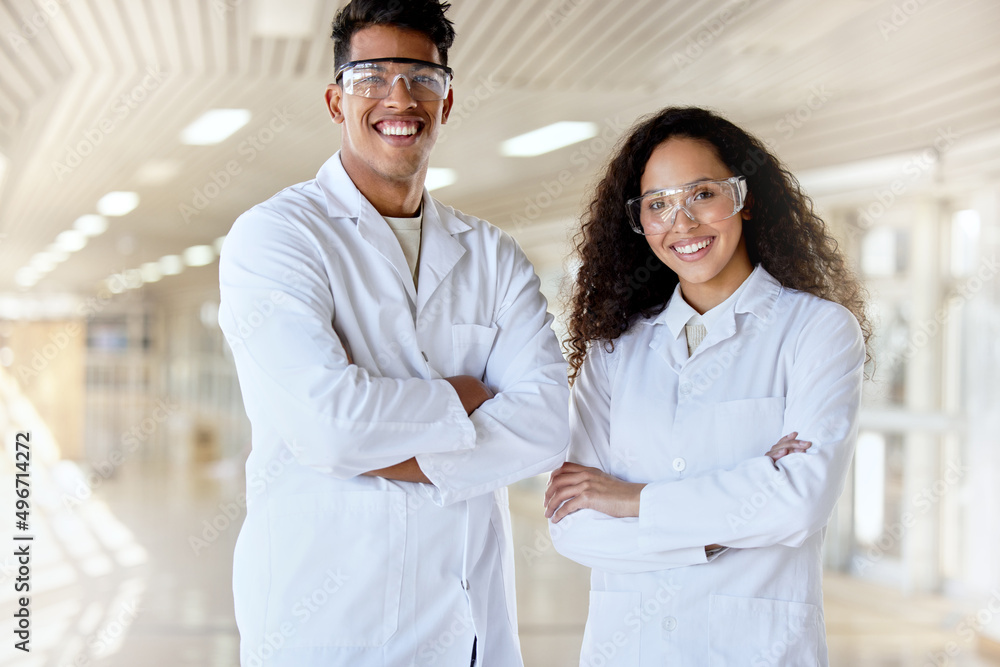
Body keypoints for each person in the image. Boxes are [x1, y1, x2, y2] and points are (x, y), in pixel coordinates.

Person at [218, 1, 569, 665]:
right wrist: (466, 394)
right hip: (326, 629)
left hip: (470, 629)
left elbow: (548, 424)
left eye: (421, 77)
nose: (400, 98)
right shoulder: (277, 237)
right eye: (372, 77)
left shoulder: (492, 254)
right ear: (336, 100)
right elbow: (330, 426)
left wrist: (377, 444)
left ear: (447, 99)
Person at [544, 106, 870, 666]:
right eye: (657, 204)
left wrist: (632, 500)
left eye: (703, 194)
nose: (683, 222)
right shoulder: (614, 350)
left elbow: (799, 502)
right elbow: (573, 527)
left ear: (746, 199)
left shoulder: (817, 330)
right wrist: (725, 526)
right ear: (638, 221)